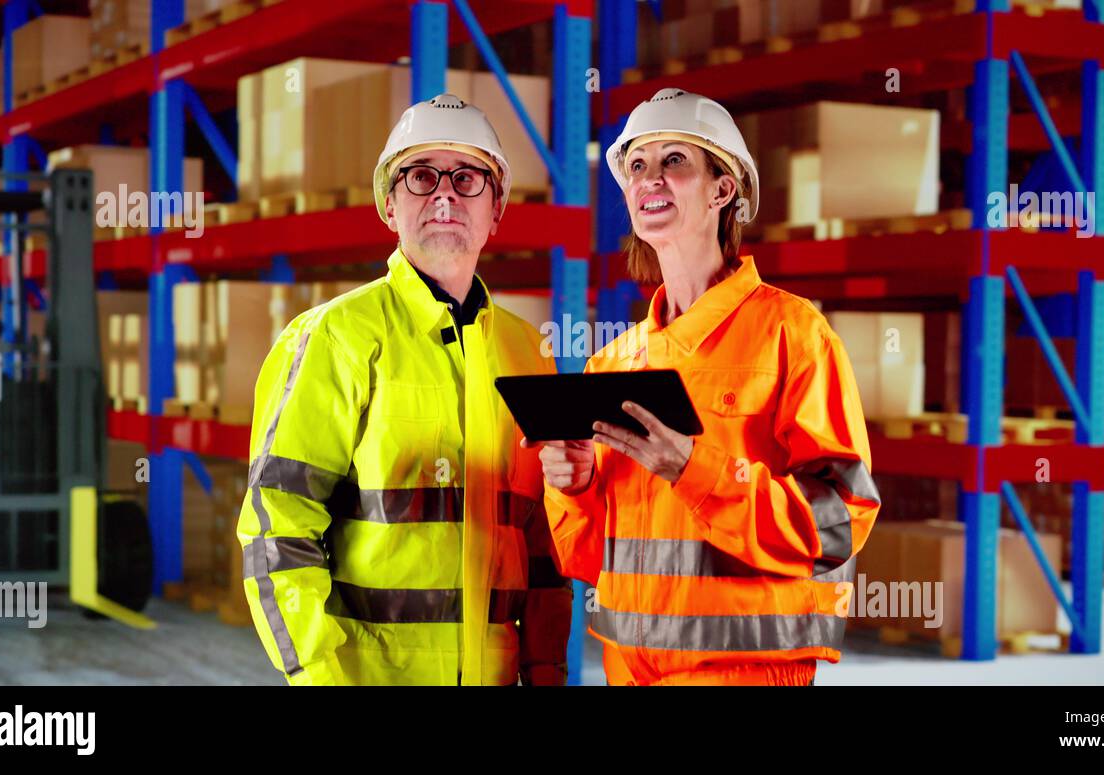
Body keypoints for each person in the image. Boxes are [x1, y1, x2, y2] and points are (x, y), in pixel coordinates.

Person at [532, 88, 882, 686]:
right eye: (638, 165)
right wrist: (577, 489)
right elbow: (587, 559)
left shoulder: (791, 333)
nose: (651, 180)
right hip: (628, 665)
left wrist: (696, 470)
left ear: (723, 191)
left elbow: (841, 522)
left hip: (744, 666)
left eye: (675, 162)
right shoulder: (613, 363)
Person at [238, 94, 571, 685]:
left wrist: (545, 671)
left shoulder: (529, 354)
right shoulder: (335, 340)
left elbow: (542, 544)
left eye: (467, 178)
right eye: (420, 177)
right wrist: (319, 678)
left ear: (496, 209)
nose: (444, 193)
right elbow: (276, 528)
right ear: (389, 206)